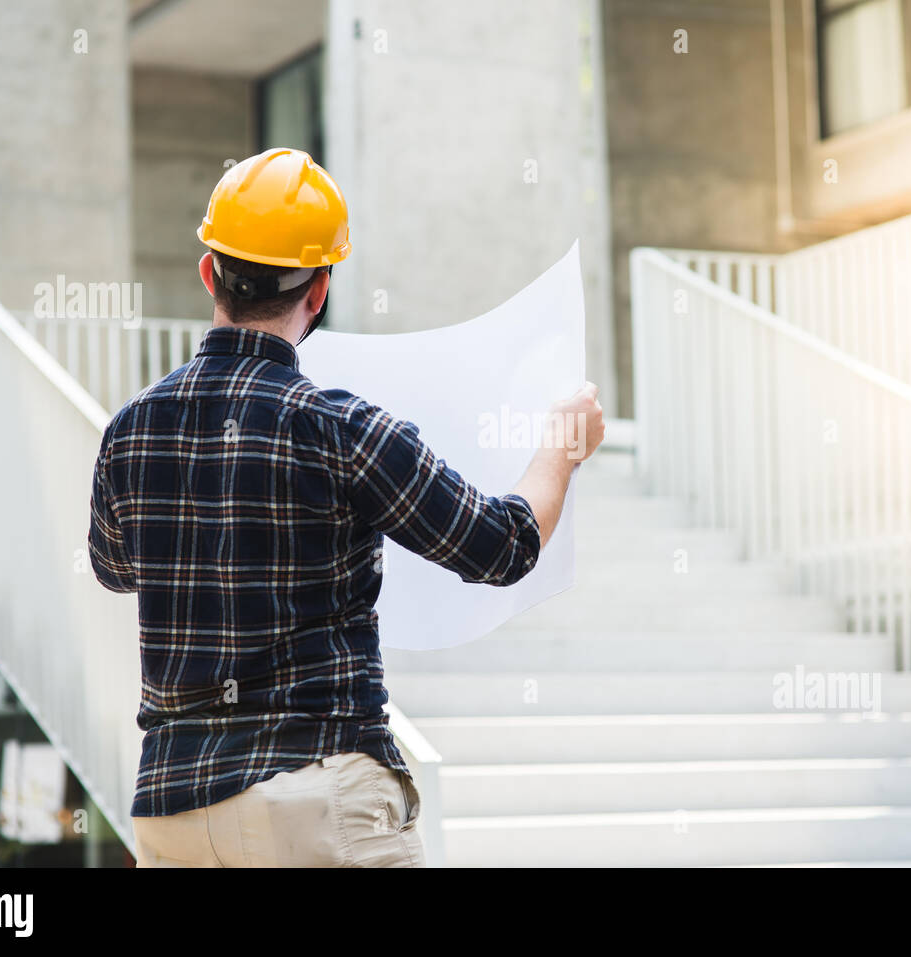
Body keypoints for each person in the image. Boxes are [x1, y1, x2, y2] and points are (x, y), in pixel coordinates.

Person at [87, 148, 604, 867]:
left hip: (173, 811)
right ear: (319, 289)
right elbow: (502, 545)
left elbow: (115, 568)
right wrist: (562, 447)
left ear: (210, 271)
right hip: (315, 799)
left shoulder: (131, 430)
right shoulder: (342, 429)